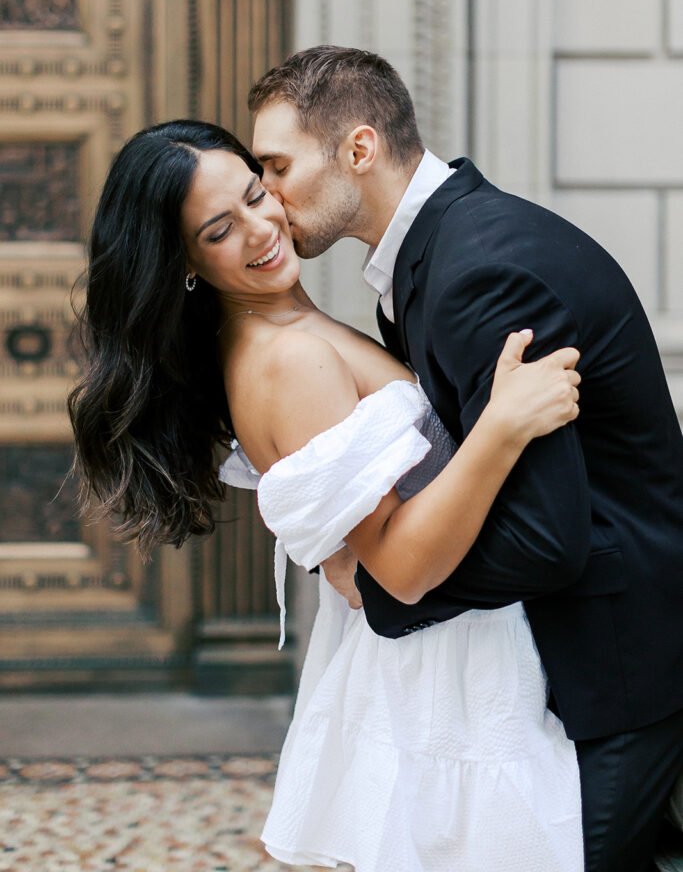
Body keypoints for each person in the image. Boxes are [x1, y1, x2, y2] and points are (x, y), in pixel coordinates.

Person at [68, 119, 585, 872]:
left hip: (447, 651)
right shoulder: (287, 361)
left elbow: (355, 545)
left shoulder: (283, 329)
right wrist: (500, 428)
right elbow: (398, 572)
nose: (260, 228)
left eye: (254, 193)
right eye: (219, 229)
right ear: (183, 263)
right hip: (448, 671)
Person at [247, 46, 683, 872]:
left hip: (623, 660)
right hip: (592, 648)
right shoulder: (439, 252)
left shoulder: (476, 274)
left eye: (275, 166)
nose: (267, 200)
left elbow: (546, 539)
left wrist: (382, 586)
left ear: (359, 149)